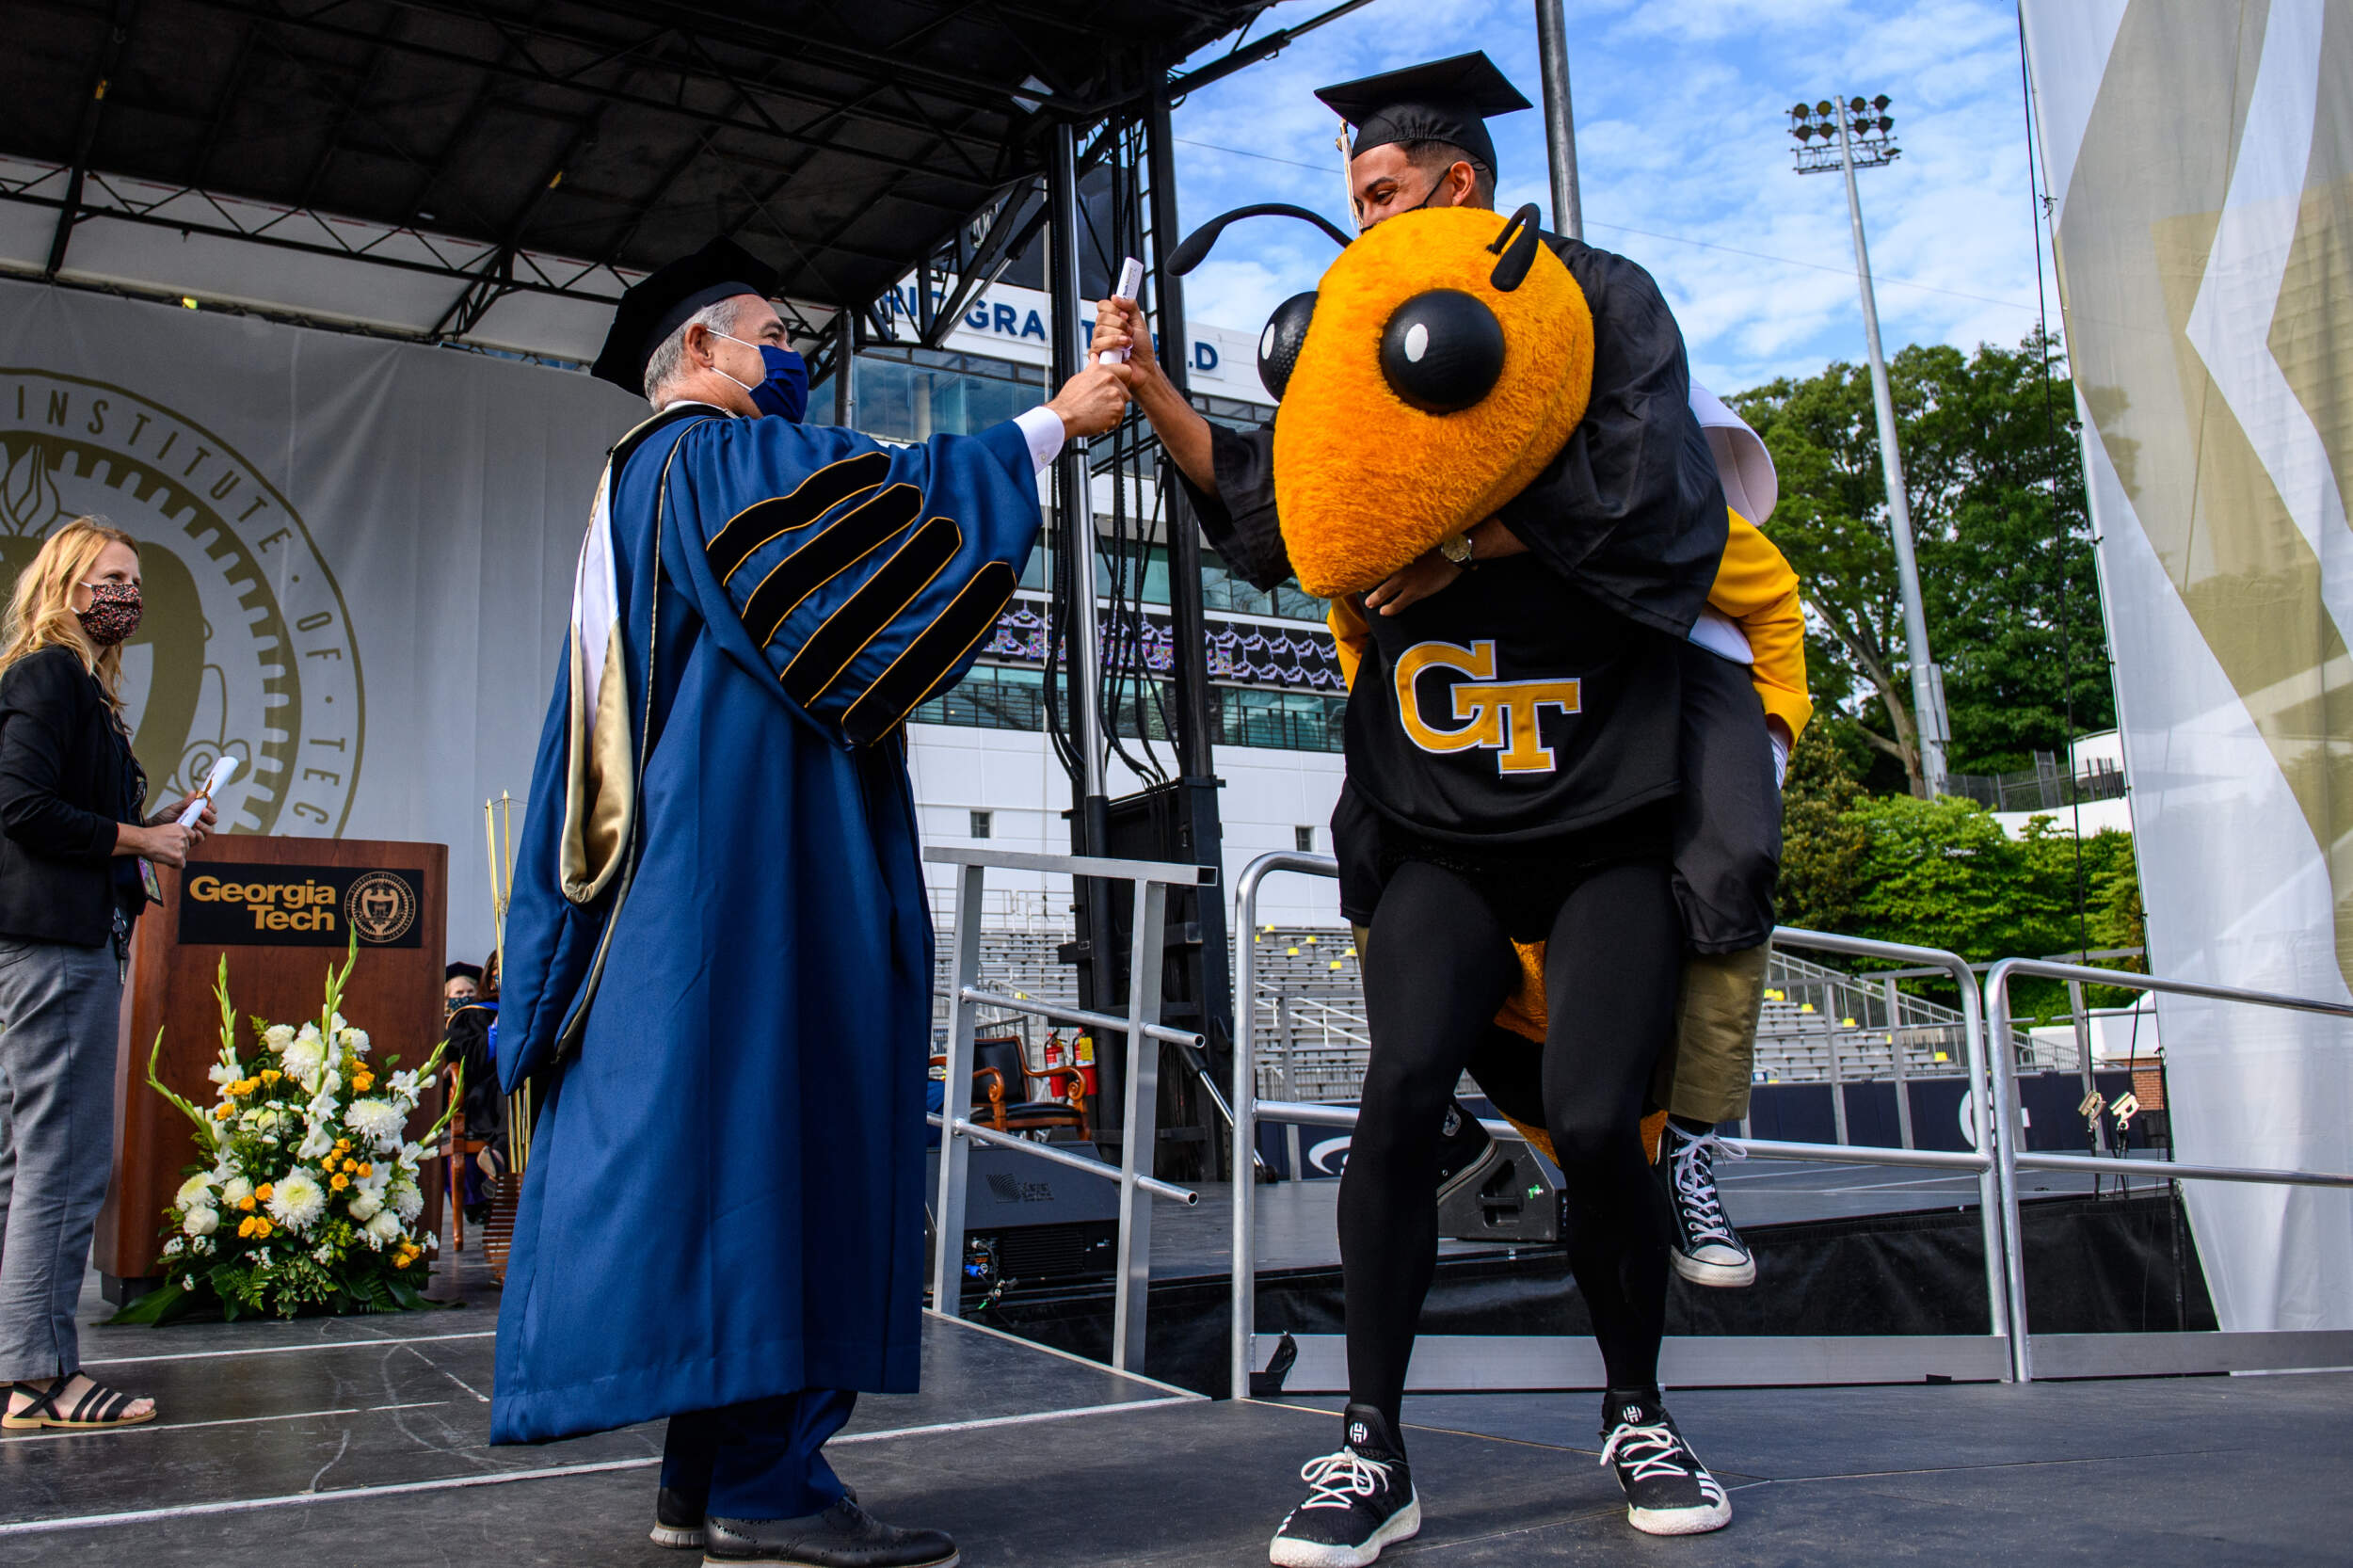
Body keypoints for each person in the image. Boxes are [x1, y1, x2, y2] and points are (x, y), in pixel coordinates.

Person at [1095, 52, 1740, 1558]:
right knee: (1395, 1094)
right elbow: (1280, 528)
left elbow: (1661, 513)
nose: (1364, 222)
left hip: (1601, 813)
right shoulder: (1355, 334)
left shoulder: (1594, 301)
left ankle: (1637, 1403)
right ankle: (1368, 1440)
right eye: (1353, 200)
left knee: (1596, 1118)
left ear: (1457, 186)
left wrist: (1451, 544)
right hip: (1440, 819)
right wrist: (1156, 397)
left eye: (1381, 194)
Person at [489, 235, 1127, 1566]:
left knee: (734, 1154)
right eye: (772, 335)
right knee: (782, 1136)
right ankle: (767, 1486)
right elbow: (874, 509)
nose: (793, 357)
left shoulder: (631, 491)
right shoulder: (703, 458)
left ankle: (705, 1475)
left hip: (697, 870)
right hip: (754, 872)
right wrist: (1051, 425)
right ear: (705, 353)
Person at [0, 518, 214, 1432]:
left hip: (56, 942)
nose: (126, 594)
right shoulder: (48, 674)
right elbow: (19, 804)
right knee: (65, 1156)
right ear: (64, 584)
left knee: (30, 1159)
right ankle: (42, 1376)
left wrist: (158, 820)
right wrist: (141, 838)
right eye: (108, 578)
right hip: (54, 947)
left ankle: (20, 1367)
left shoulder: (83, 688)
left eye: (132, 580)